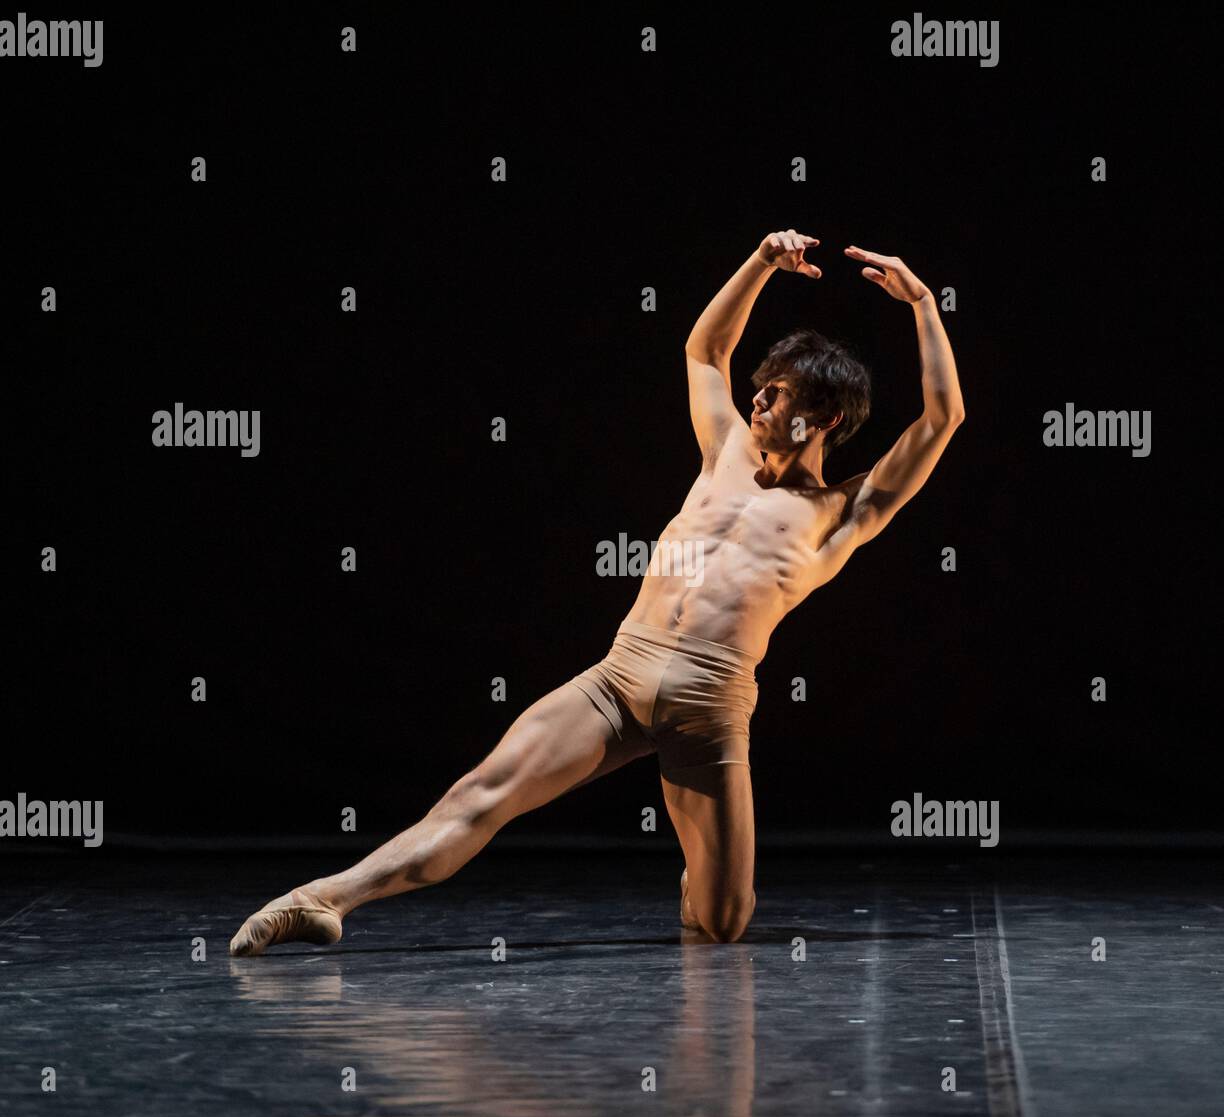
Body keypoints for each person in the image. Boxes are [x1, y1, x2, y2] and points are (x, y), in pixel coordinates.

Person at [229, 229, 965, 955]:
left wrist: (923, 303)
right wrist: (763, 261)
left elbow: (941, 419)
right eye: (763, 387)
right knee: (482, 794)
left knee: (724, 922)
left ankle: (701, 876)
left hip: (710, 707)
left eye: (778, 393)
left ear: (824, 417)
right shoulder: (728, 449)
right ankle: (322, 898)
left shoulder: (840, 513)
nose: (759, 398)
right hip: (619, 678)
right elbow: (706, 351)